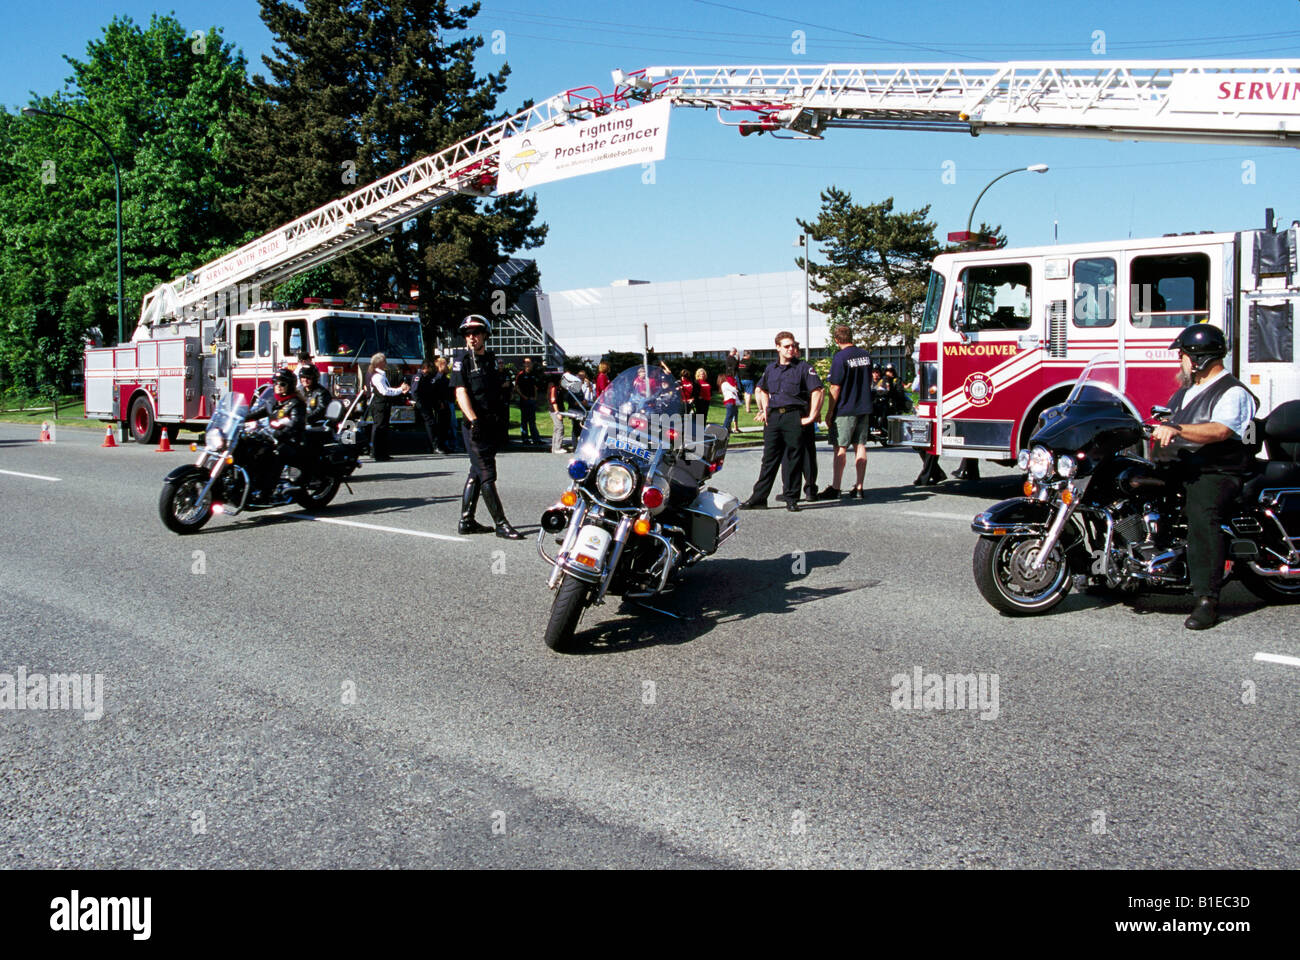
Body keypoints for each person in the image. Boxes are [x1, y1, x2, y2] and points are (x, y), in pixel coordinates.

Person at [1151, 324, 1258, 630]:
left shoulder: (1233, 392)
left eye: (1182, 355)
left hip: (1218, 471)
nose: (1179, 361)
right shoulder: (1186, 391)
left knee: (1201, 512)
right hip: (1185, 466)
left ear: (1200, 358)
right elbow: (1166, 422)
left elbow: (1220, 430)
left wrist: (1178, 429)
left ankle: (1207, 600)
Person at [451, 314, 523, 539]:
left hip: (492, 425)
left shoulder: (491, 359)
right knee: (487, 474)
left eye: (476, 333)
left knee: (475, 472)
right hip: (475, 427)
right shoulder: (461, 361)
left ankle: (466, 521)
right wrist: (473, 420)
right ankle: (501, 524)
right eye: (467, 334)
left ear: (484, 335)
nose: (471, 337)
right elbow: (460, 393)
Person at [740, 331, 824, 512]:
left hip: (794, 416)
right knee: (768, 460)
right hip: (774, 417)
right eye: (787, 346)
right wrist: (764, 409)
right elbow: (761, 389)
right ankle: (759, 498)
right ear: (778, 347)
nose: (791, 349)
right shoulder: (771, 369)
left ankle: (791, 498)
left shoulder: (803, 367)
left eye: (793, 345)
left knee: (793, 458)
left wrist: (811, 416)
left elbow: (818, 390)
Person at [815, 325, 873, 500]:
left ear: (836, 340)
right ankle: (860, 486)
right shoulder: (865, 355)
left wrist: (830, 411)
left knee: (840, 447)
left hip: (845, 408)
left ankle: (836, 486)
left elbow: (835, 387)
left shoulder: (840, 357)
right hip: (863, 406)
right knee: (860, 446)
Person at [242, 368, 306, 498]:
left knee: (273, 454)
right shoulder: (274, 401)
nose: (278, 386)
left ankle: (267, 491)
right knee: (250, 446)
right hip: (273, 437)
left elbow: (296, 424)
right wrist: (240, 417)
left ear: (290, 386)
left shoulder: (296, 403)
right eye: (276, 383)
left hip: (291, 440)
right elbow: (257, 413)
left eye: (282, 384)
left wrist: (280, 434)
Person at [367, 352, 409, 461]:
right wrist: (400, 390)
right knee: (379, 428)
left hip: (383, 404)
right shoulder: (377, 376)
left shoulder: (380, 375)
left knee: (383, 428)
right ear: (380, 363)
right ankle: (377, 453)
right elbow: (384, 391)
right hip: (379, 404)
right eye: (384, 361)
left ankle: (382, 452)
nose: (386, 363)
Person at [411, 360, 445, 454]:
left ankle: (431, 446)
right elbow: (415, 391)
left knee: (431, 424)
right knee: (430, 424)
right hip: (423, 405)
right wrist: (420, 404)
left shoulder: (426, 377)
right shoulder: (419, 377)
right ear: (425, 368)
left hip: (427, 404)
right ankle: (434, 446)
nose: (431, 370)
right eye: (430, 368)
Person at [515, 357, 542, 445]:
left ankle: (536, 439)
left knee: (532, 421)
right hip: (524, 400)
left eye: (529, 362)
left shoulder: (533, 374)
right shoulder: (521, 375)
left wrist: (535, 397)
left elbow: (535, 387)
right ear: (524, 364)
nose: (528, 364)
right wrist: (524, 397)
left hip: (532, 400)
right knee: (524, 421)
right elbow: (517, 387)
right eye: (526, 363)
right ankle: (525, 439)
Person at [297, 362, 333, 427]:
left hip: (315, 424)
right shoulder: (299, 390)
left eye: (308, 377)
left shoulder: (321, 393)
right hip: (300, 422)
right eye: (303, 377)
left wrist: (306, 418)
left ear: (314, 378)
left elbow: (320, 410)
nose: (305, 380)